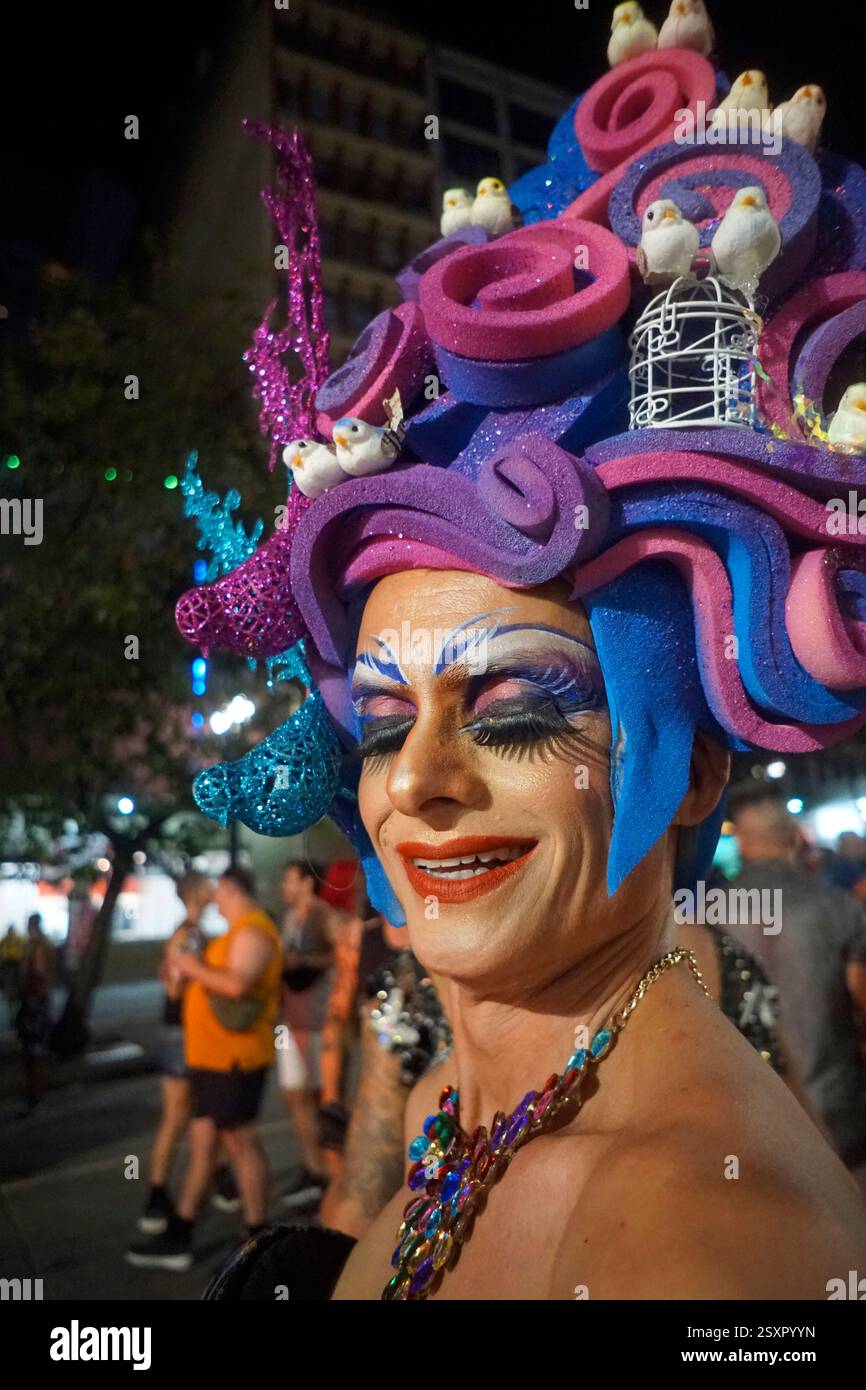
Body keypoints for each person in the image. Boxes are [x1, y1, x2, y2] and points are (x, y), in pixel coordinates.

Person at [177, 11, 866, 1300]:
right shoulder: (464, 1097)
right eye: (385, 722)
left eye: (507, 711)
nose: (418, 779)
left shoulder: (703, 1244)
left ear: (696, 768)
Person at [126, 867, 282, 1270]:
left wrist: (191, 967)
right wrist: (183, 972)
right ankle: (180, 1231)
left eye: (219, 890)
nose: (215, 896)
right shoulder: (231, 933)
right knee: (202, 1145)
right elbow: (200, 983)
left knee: (240, 1144)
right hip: (210, 1060)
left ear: (232, 888)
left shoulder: (252, 930)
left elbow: (236, 985)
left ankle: (256, 1237)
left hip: (236, 1059)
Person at [727, 791, 866, 1179]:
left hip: (750, 1130)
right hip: (838, 1120)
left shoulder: (705, 915)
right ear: (795, 837)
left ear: (741, 840)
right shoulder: (837, 906)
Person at [137, 870, 239, 1234]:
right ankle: (158, 1194)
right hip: (181, 1034)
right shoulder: (187, 935)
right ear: (196, 893)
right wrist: (199, 974)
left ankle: (216, 1178)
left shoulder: (192, 932)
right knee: (180, 1114)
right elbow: (175, 989)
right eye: (209, 885)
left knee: (205, 1112)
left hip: (183, 1032)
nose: (215, 890)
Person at [276, 860, 335, 1210]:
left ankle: (326, 1172)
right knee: (293, 1094)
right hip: (289, 1016)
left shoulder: (322, 915)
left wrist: (306, 963)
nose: (285, 886)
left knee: (317, 1096)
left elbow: (340, 957)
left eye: (289, 879)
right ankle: (314, 1167)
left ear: (306, 883)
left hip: (317, 1015)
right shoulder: (289, 919)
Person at [16, 914, 55, 1112]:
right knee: (35, 1050)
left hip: (35, 1003)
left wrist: (32, 995)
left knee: (33, 1050)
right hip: (38, 1002)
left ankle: (35, 1092)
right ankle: (35, 1091)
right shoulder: (42, 944)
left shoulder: (36, 946)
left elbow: (38, 975)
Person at [0, 924, 24, 1006]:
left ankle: (14, 992)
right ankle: (7, 991)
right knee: (5, 976)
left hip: (15, 961)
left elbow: (22, 949)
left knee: (15, 977)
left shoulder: (17, 938)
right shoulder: (5, 939)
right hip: (7, 961)